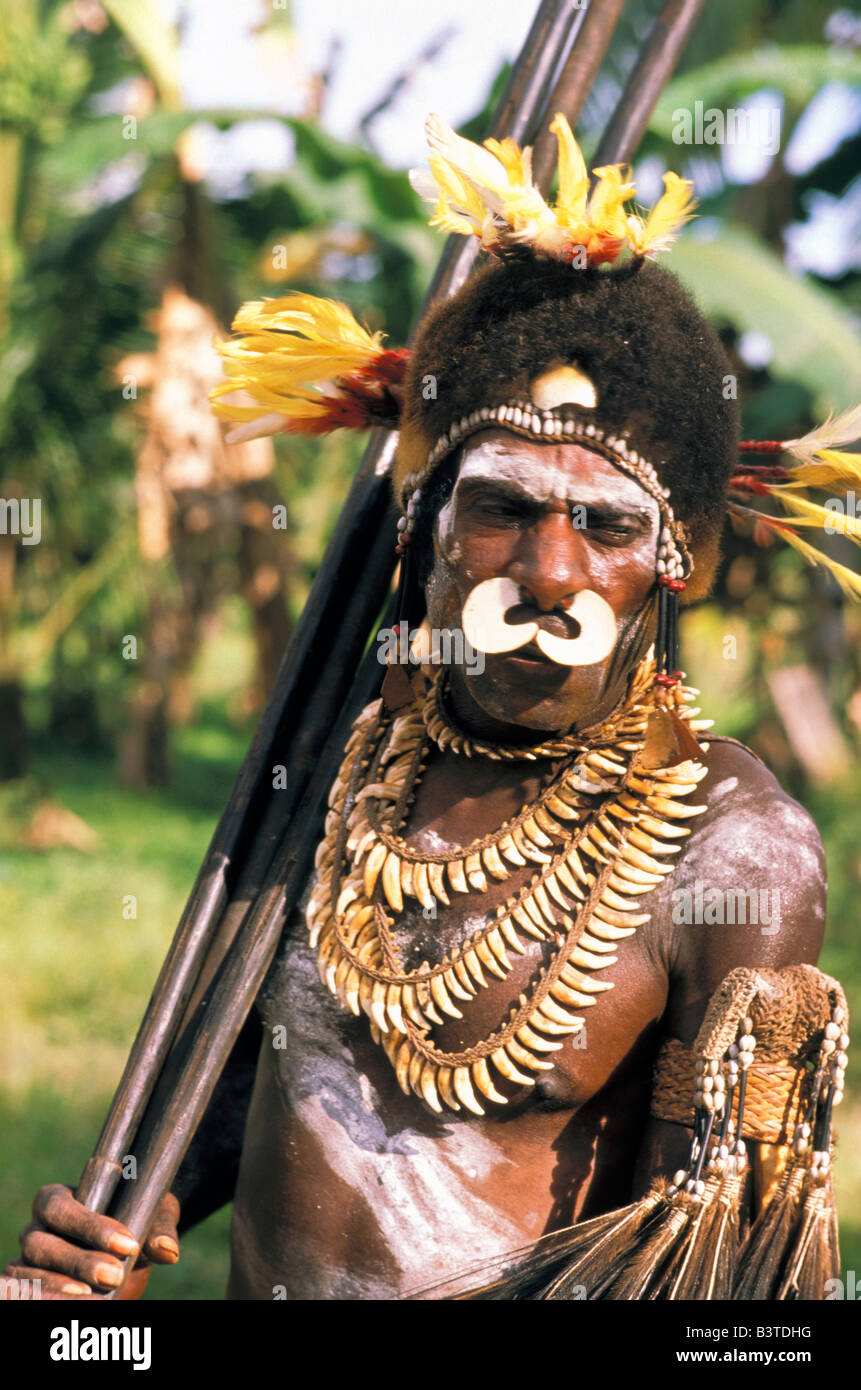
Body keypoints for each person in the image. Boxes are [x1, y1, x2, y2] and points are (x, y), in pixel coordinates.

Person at [4, 115, 853, 1302]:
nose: (548, 573)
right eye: (501, 507)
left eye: (605, 525)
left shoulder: (737, 851)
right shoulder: (336, 764)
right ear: (424, 528)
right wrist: (119, 1218)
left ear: (671, 564)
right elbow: (268, 1072)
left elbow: (723, 1276)